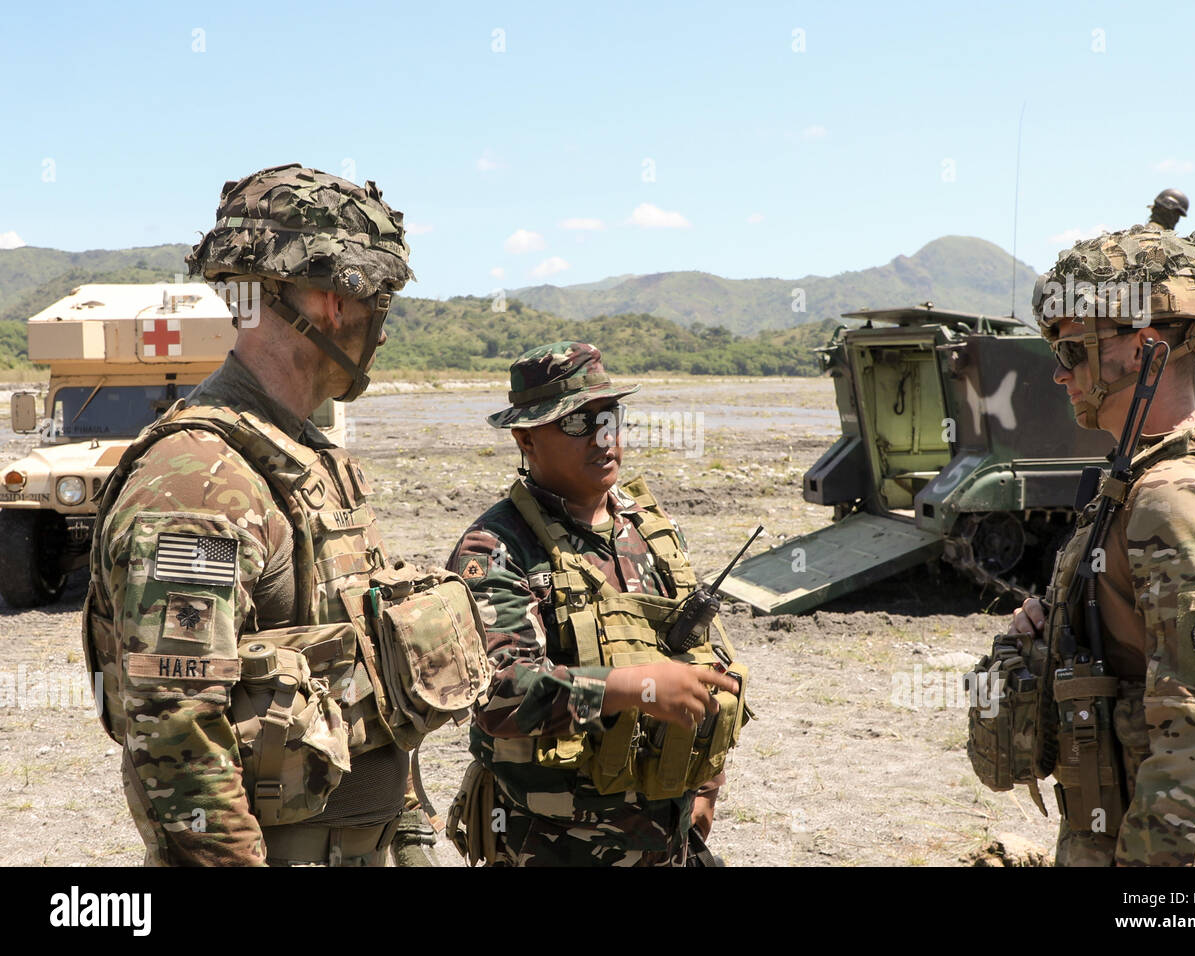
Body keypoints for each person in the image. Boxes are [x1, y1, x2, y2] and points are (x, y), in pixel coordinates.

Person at [83, 163, 485, 866]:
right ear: (334, 302)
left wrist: (413, 836)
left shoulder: (309, 459)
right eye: (378, 302)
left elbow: (374, 681)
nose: (380, 333)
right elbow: (179, 738)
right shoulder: (198, 485)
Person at [1005, 225, 1195, 865]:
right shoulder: (1138, 480)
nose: (1059, 374)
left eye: (1075, 350)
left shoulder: (1179, 496)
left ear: (1145, 347)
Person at [444, 342, 747, 866]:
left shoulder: (650, 531)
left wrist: (706, 786)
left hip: (667, 838)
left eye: (609, 417)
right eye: (578, 424)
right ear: (526, 438)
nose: (603, 437)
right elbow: (500, 697)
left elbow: (698, 664)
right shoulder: (496, 549)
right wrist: (632, 688)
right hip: (552, 845)